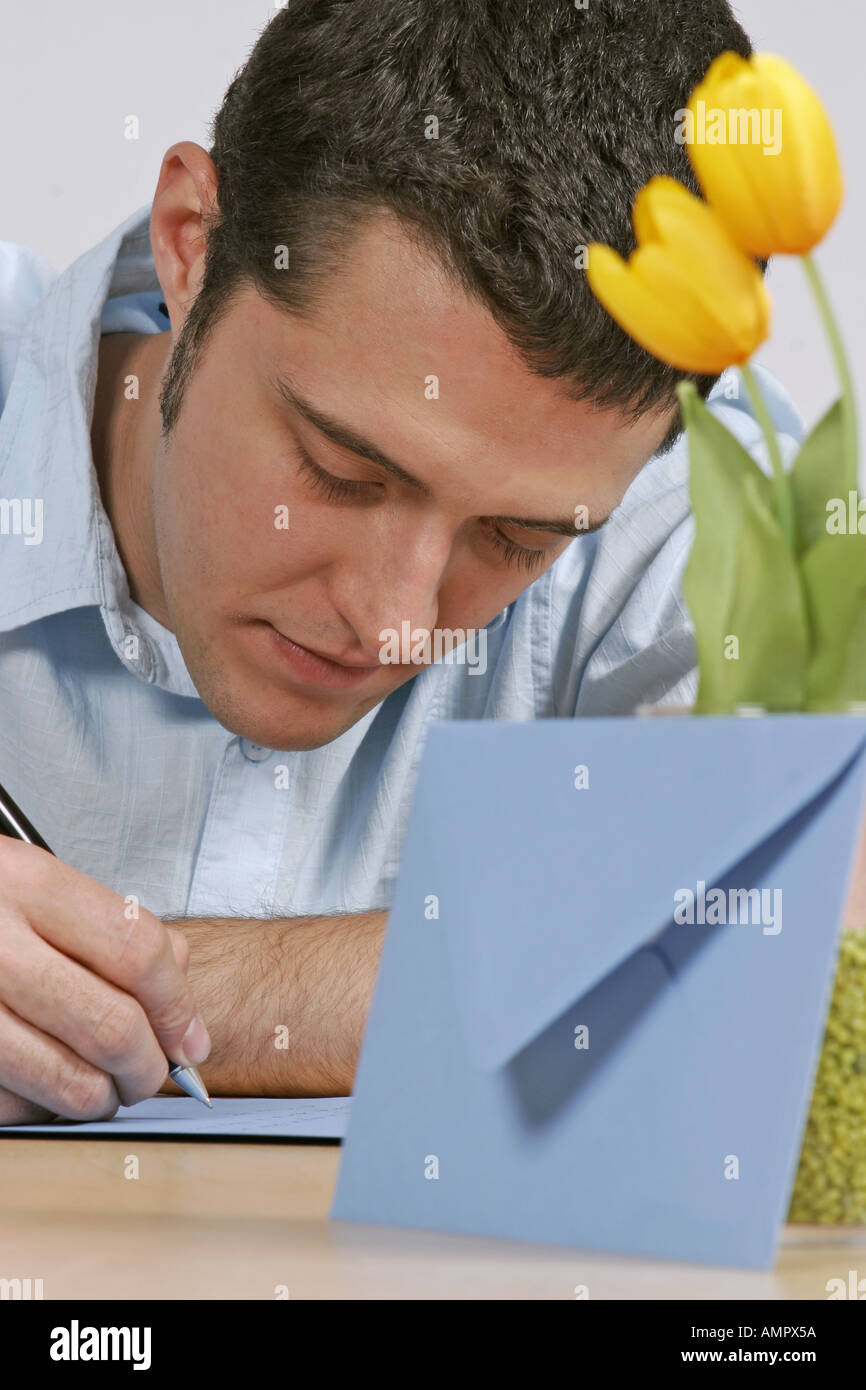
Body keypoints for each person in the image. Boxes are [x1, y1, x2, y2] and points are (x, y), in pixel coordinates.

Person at [0, 0, 807, 1124]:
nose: (391, 622)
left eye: (518, 539)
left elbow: (798, 944)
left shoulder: (709, 504)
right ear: (191, 241)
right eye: (339, 468)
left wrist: (120, 993)